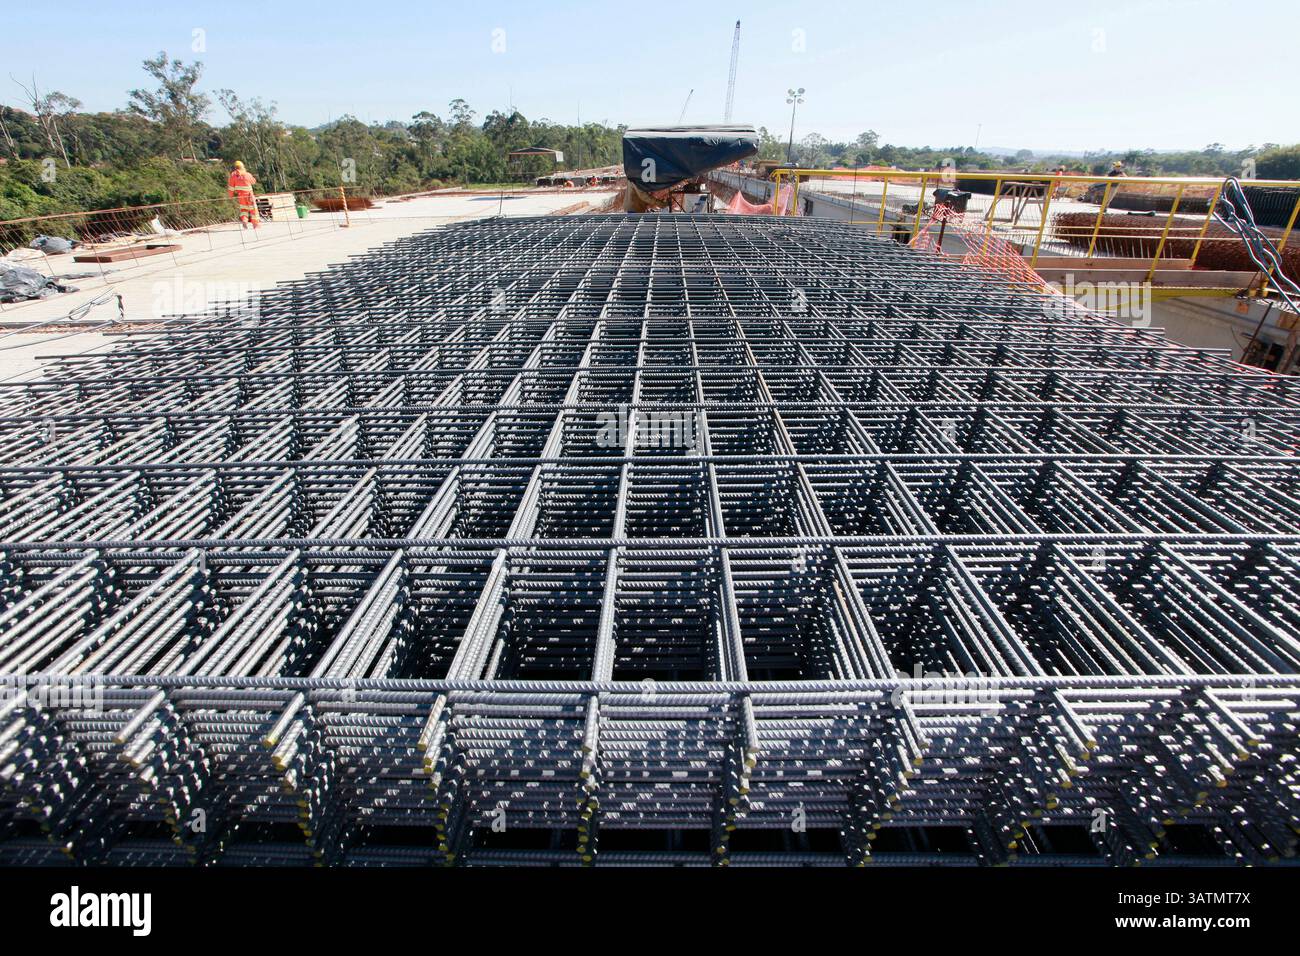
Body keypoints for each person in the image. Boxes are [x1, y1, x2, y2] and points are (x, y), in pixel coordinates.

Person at [227, 160, 260, 229]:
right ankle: (255, 225)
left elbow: (231, 188)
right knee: (253, 210)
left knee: (244, 210)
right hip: (249, 195)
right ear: (242, 166)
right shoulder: (247, 174)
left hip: (240, 196)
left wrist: (230, 196)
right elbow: (253, 182)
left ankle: (245, 221)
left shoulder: (233, 175)